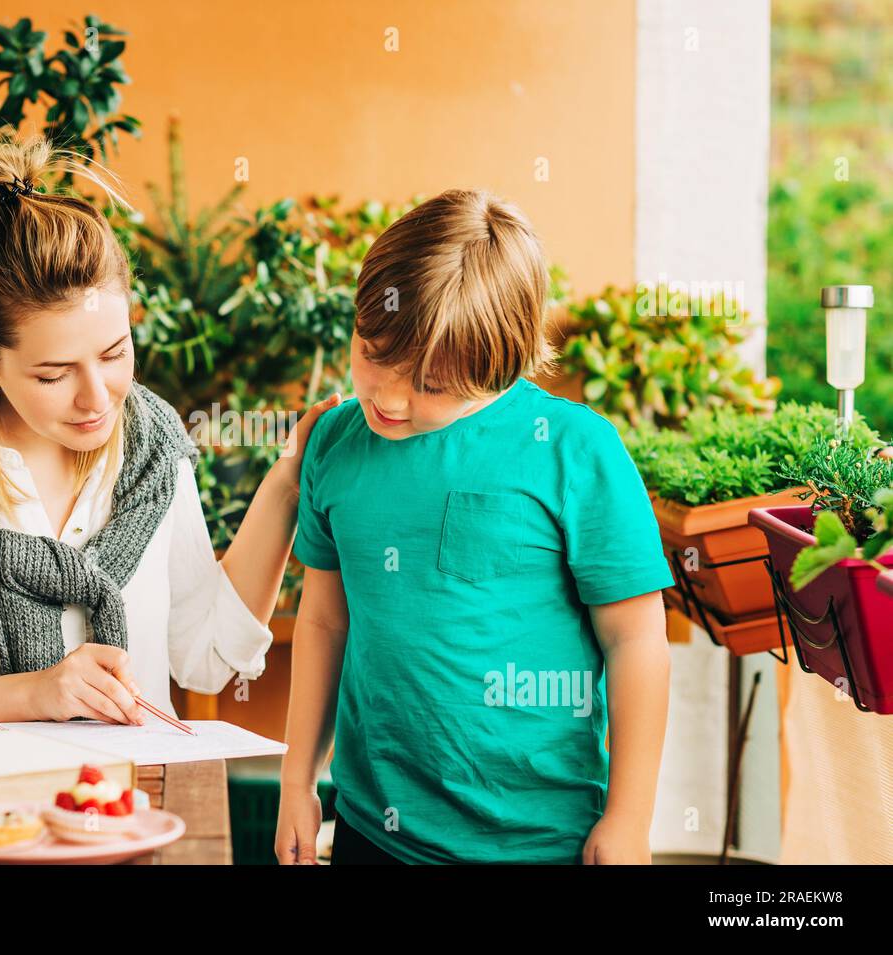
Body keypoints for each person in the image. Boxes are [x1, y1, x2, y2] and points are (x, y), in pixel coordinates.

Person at [0, 127, 337, 734]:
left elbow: (206, 659)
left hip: (131, 818)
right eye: (53, 375)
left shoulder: (154, 449)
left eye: (114, 354)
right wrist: (33, 694)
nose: (98, 397)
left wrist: (288, 485)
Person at [276, 189, 673, 864]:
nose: (391, 398)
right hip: (376, 832)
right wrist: (296, 777)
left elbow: (636, 638)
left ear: (502, 369)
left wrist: (629, 818)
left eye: (431, 385)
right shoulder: (336, 444)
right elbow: (323, 620)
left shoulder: (575, 451)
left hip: (541, 841)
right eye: (374, 354)